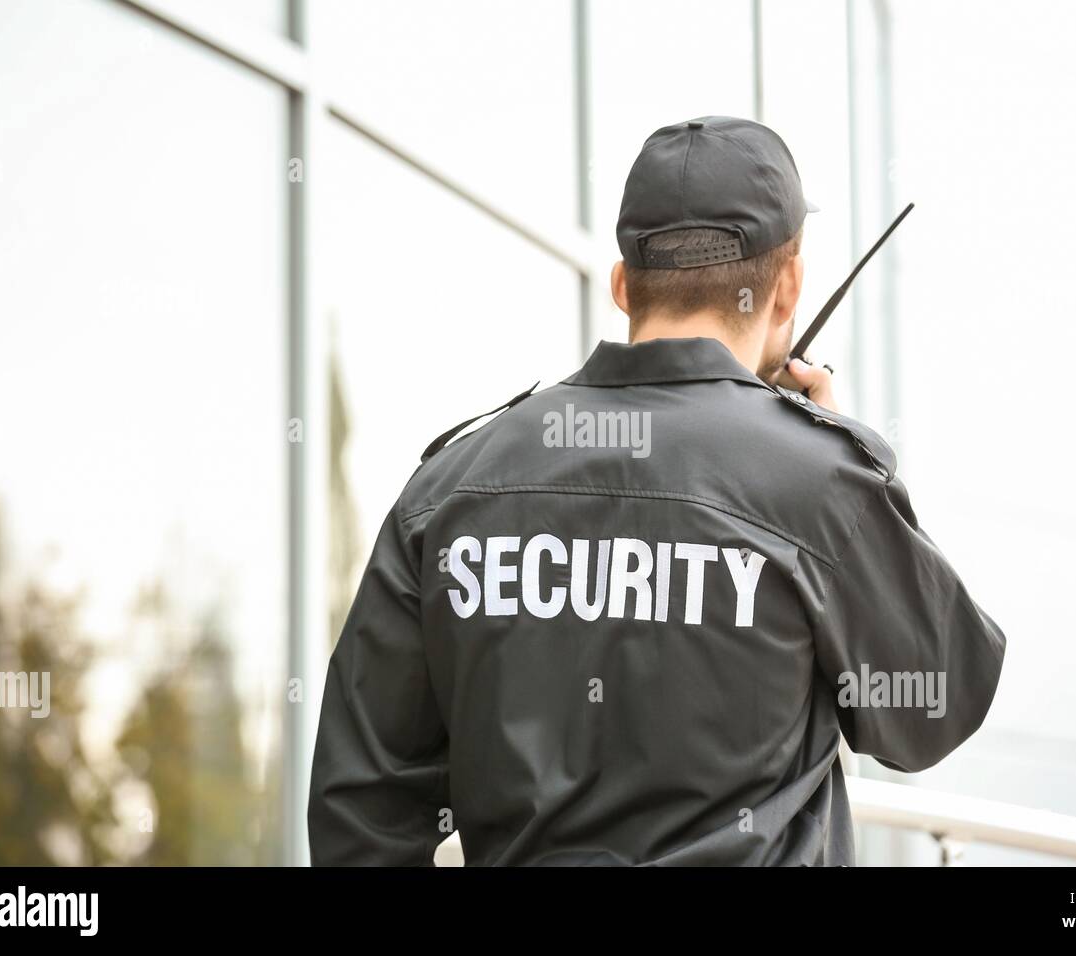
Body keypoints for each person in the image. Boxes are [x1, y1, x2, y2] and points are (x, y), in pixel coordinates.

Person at [308, 116, 1006, 866]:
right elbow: (933, 705)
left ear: (621, 285)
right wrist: (847, 481)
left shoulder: (448, 490)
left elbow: (361, 808)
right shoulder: (819, 486)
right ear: (789, 285)